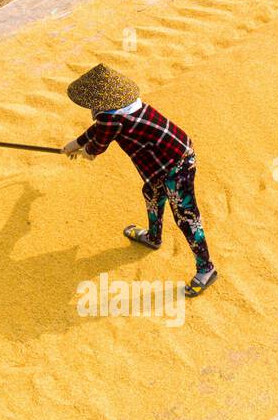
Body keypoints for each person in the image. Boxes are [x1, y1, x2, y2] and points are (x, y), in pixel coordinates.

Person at [61, 64, 218, 297]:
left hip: (177, 165)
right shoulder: (124, 106)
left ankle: (207, 269)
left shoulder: (110, 120)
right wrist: (74, 144)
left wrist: (85, 151)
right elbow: (98, 130)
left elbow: (97, 146)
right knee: (152, 193)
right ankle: (153, 237)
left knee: (186, 216)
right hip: (164, 162)